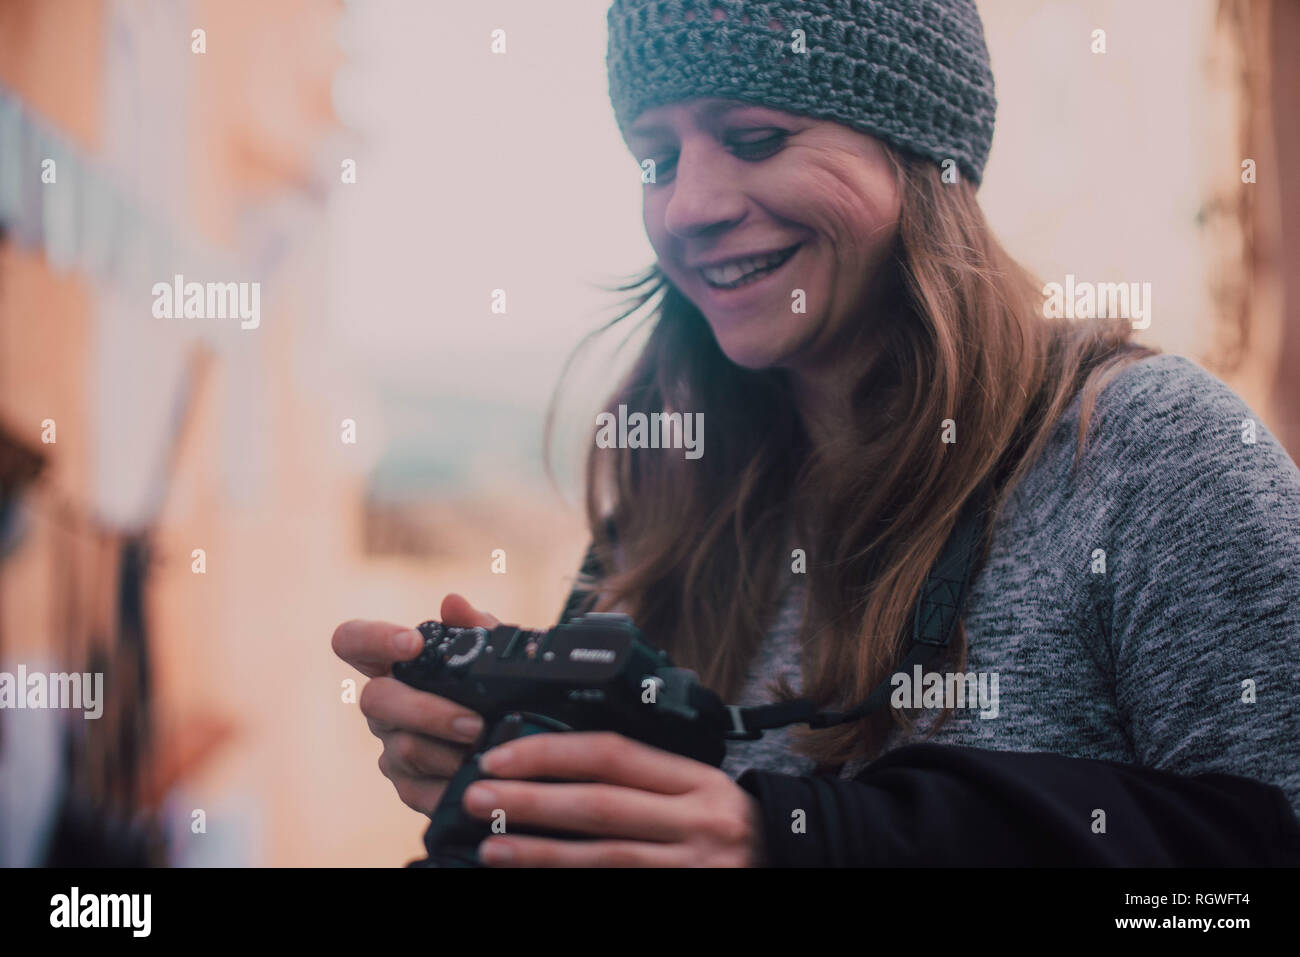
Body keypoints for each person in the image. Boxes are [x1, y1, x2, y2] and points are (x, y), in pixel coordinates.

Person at [333, 0, 1300, 866]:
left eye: (756, 136)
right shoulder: (667, 499)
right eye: (656, 159)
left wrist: (800, 840)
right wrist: (512, 788)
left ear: (925, 153)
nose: (688, 206)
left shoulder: (1150, 455)